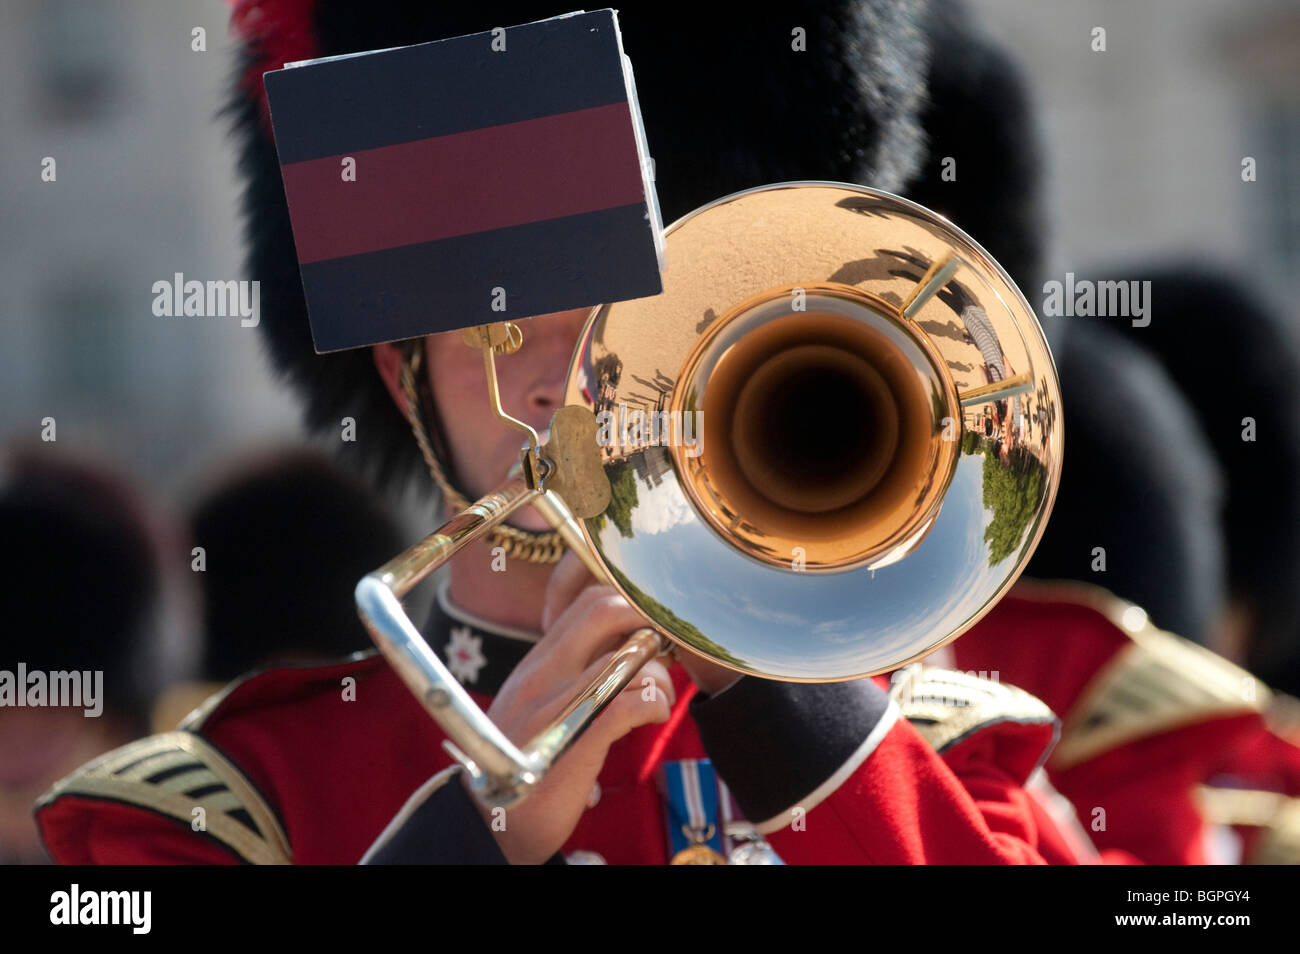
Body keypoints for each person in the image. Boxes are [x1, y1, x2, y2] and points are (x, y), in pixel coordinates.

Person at [34, 0, 1090, 865]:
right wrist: (468, 836)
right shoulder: (232, 805)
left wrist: (780, 712)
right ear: (405, 382)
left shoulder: (933, 753)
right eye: (503, 331)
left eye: (628, 324)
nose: (570, 388)